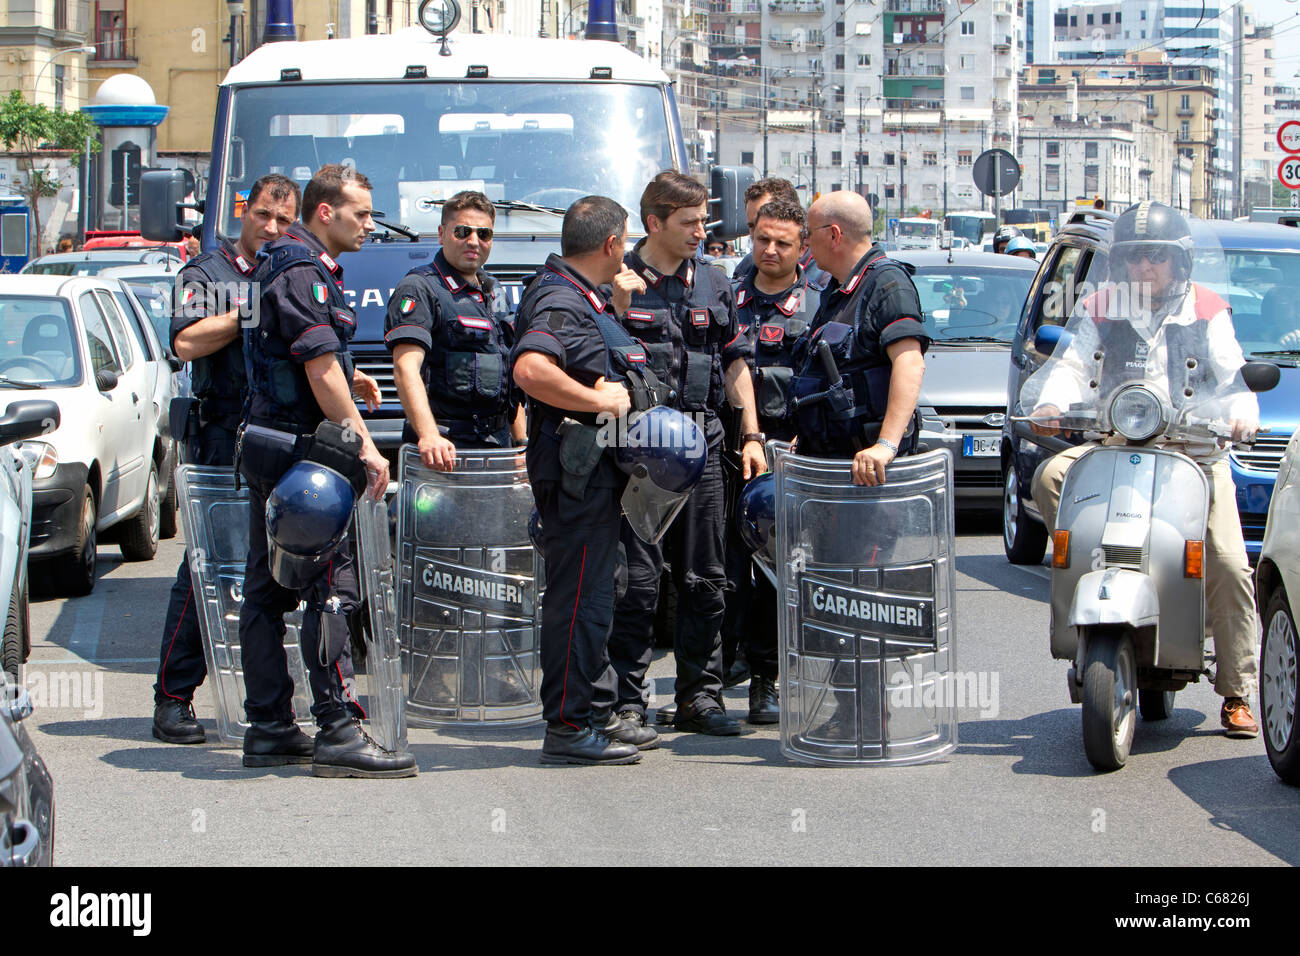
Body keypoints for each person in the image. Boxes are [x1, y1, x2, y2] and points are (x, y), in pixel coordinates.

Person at [1027, 200, 1261, 738]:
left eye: (1156, 256)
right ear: (1119, 261)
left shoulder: (1206, 308)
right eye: (1134, 256)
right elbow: (1073, 363)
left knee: (1229, 561)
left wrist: (1240, 414)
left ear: (1179, 262)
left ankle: (1236, 690)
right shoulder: (1103, 305)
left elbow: (1231, 373)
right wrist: (1051, 402)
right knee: (1051, 477)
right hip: (1115, 444)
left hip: (1192, 452)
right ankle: (1092, 574)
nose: (1144, 267)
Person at [238, 163, 416, 777]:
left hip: (279, 450)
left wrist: (350, 373)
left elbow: (309, 357)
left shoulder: (290, 264)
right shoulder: (301, 269)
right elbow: (315, 369)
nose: (370, 226)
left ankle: (269, 726)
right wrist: (366, 445)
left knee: (266, 591)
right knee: (332, 591)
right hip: (304, 458)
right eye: (360, 214)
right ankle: (338, 728)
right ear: (325, 212)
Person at [600, 170, 765, 736]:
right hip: (637, 453)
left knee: (706, 577)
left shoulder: (716, 282)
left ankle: (700, 696)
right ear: (654, 222)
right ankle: (627, 701)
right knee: (636, 581)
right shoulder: (616, 278)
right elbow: (590, 359)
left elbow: (736, 362)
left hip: (705, 445)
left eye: (703, 221)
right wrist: (617, 306)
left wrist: (751, 434)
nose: (701, 231)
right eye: (689, 222)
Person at [152, 173, 303, 745]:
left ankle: (273, 703)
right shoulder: (209, 274)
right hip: (222, 439)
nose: (272, 228)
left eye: (284, 220)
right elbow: (185, 342)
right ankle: (172, 698)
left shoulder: (290, 272)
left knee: (272, 571)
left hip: (277, 440)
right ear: (243, 212)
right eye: (263, 215)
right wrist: (250, 308)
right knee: (207, 569)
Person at [510, 195, 650, 765]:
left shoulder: (583, 296)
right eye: (627, 241)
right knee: (578, 601)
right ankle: (568, 726)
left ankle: (590, 713)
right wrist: (597, 401)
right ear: (611, 244)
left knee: (597, 594)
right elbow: (530, 368)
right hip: (579, 475)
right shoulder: (561, 299)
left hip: (594, 473)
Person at [721, 198, 818, 723]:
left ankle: (767, 680)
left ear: (803, 247)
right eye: (762, 239)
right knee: (725, 572)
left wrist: (809, 438)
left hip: (793, 454)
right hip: (732, 453)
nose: (771, 250)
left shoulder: (820, 302)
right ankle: (711, 680)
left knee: (779, 575)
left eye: (783, 242)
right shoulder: (727, 296)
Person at [385, 190, 523, 469]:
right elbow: (405, 368)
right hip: (445, 451)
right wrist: (429, 436)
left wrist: (521, 443)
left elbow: (509, 372)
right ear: (441, 234)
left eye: (483, 234)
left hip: (497, 447)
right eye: (462, 231)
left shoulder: (494, 290)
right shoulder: (420, 287)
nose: (473, 241)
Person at [799, 190, 928, 485]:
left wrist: (885, 445)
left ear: (834, 235)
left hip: (867, 477)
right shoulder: (840, 289)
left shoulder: (887, 284)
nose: (806, 242)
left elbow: (910, 362)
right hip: (834, 465)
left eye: (809, 232)